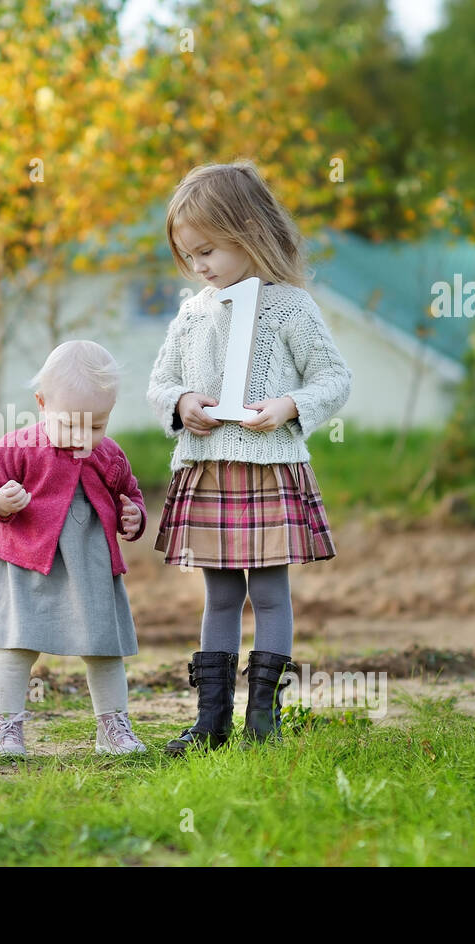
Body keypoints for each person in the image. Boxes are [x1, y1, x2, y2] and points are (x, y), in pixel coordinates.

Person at [146, 159, 353, 754]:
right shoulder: (192, 314)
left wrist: (289, 405)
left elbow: (333, 378)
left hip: (268, 471)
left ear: (249, 232)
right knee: (218, 596)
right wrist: (182, 403)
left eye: (208, 250)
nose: (199, 266)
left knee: (268, 594)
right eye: (190, 257)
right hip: (208, 469)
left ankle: (263, 722)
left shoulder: (289, 306)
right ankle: (211, 723)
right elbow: (160, 383)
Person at [0, 340, 150, 757]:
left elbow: (129, 496)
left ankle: (112, 728)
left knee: (104, 648)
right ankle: (6, 731)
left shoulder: (110, 454)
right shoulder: (16, 447)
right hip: (27, 560)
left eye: (96, 426)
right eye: (70, 425)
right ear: (41, 403)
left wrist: (134, 516)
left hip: (92, 564)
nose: (83, 438)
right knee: (15, 645)